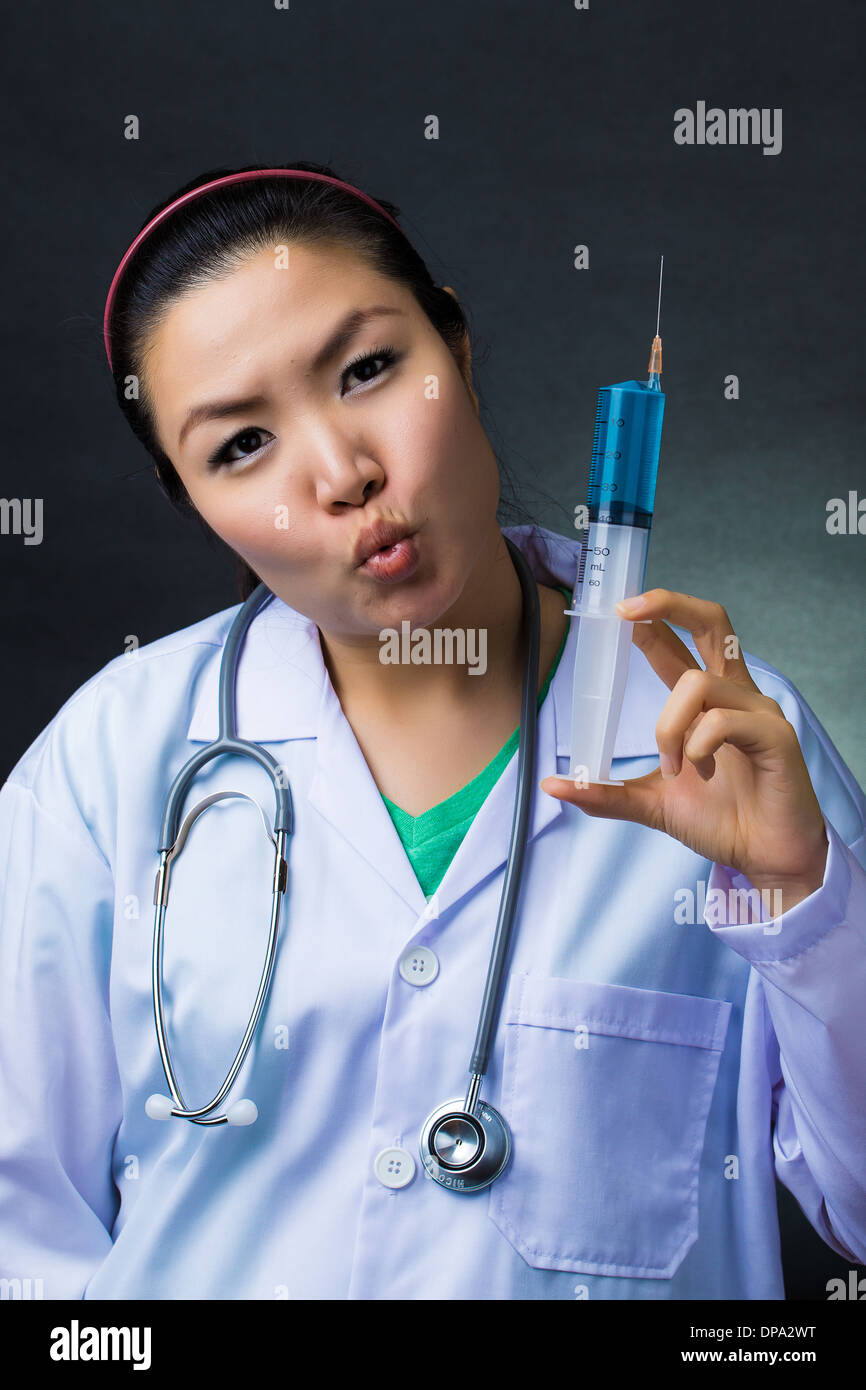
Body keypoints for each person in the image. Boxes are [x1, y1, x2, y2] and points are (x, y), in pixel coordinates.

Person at [0, 161, 864, 1301]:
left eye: (367, 370)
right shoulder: (111, 761)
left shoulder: (729, 744)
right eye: (239, 446)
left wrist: (811, 904)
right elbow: (24, 1238)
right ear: (194, 502)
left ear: (453, 348)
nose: (343, 473)